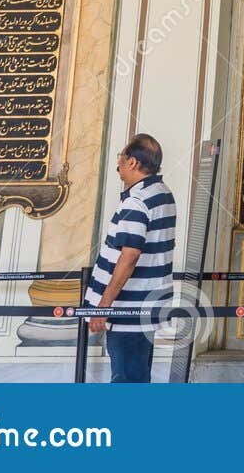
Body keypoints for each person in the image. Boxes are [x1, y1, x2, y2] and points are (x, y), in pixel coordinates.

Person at [87, 134, 176, 382]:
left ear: (133, 162)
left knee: (127, 380)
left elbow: (129, 256)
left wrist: (103, 305)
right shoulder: (162, 192)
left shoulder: (137, 201)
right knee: (137, 376)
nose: (119, 165)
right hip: (148, 306)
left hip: (128, 311)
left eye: (121, 158)